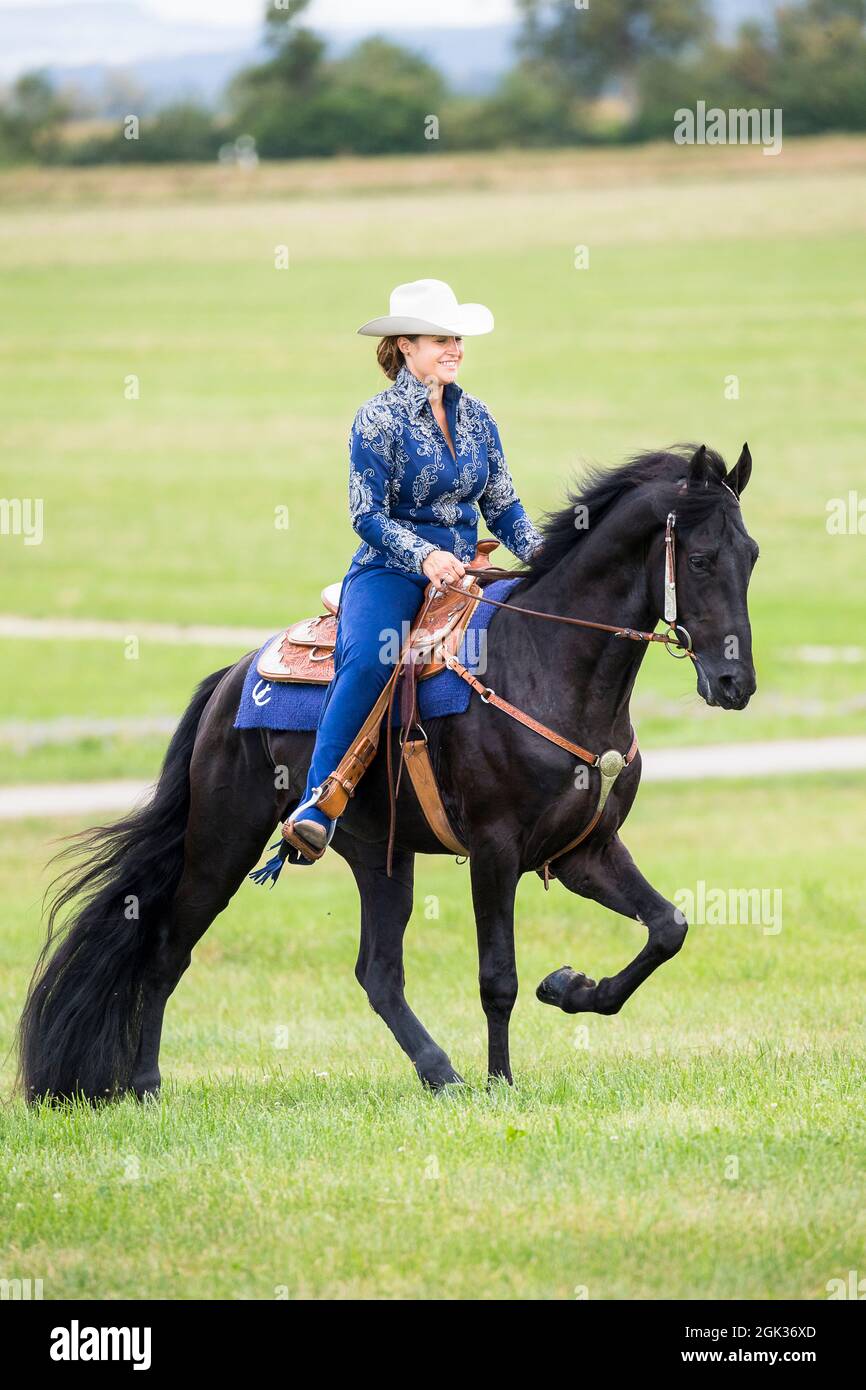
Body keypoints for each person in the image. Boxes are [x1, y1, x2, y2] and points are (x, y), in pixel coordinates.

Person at [285, 278, 544, 861]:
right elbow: (366, 514)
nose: (453, 349)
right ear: (404, 345)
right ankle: (317, 801)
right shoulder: (375, 420)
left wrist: (546, 557)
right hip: (391, 571)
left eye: (457, 339)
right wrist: (424, 556)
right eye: (439, 340)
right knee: (372, 658)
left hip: (467, 571)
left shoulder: (477, 416)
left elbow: (502, 504)